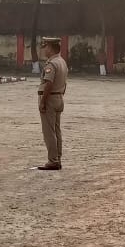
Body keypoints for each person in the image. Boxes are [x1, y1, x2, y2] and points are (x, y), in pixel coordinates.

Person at [37, 37, 69, 171]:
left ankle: (53, 161)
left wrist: (43, 101)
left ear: (50, 48)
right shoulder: (62, 62)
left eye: (46, 47)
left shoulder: (51, 64)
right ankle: (57, 158)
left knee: (49, 132)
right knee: (56, 131)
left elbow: (48, 83)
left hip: (50, 99)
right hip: (59, 98)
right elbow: (64, 83)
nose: (44, 50)